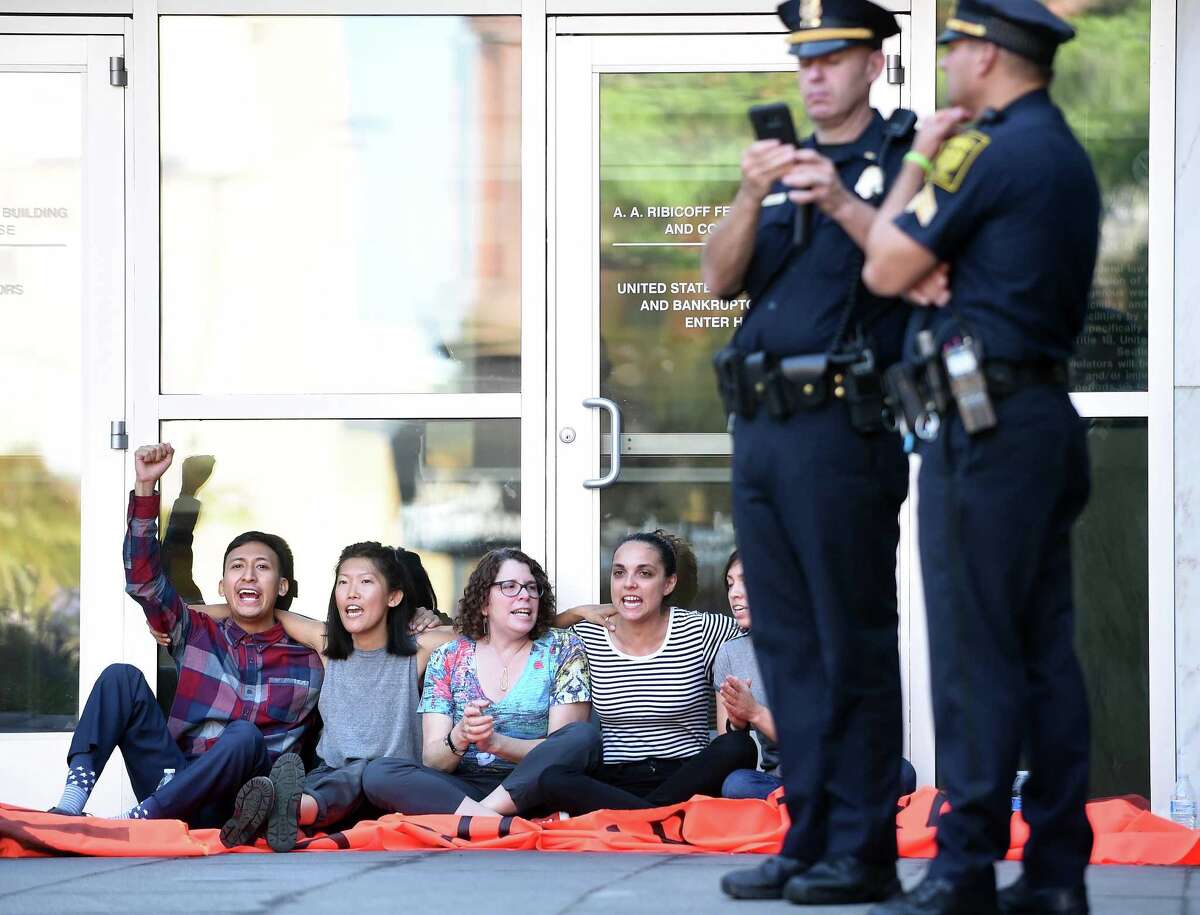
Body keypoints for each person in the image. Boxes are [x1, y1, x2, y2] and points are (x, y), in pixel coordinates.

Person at [861, 2, 1099, 913]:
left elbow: (883, 264)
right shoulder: (1063, 150)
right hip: (1035, 418)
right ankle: (1056, 872)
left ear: (990, 56)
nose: (949, 60)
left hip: (984, 426)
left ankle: (962, 865)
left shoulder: (984, 149)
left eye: (957, 45)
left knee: (973, 653)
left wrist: (921, 151)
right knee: (1043, 653)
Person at [705, 0, 924, 905]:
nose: (815, 73)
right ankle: (808, 839)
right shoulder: (780, 165)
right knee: (787, 645)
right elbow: (719, 276)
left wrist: (836, 197)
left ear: (874, 62)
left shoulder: (907, 155)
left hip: (843, 429)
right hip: (760, 429)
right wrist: (755, 189)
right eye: (805, 58)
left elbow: (903, 264)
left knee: (850, 643)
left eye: (834, 56)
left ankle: (864, 846)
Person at [48, 442, 323, 828]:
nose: (247, 575)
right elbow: (145, 583)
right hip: (172, 779)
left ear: (281, 586)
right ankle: (71, 801)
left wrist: (419, 621)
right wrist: (145, 489)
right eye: (237, 567)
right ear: (223, 586)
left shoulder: (311, 658)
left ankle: (139, 820)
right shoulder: (197, 631)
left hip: (244, 803)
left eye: (262, 567)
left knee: (243, 736)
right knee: (120, 678)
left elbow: (367, 652)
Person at [203, 542, 454, 851]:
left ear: (394, 596)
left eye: (365, 581)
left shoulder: (417, 650)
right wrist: (190, 614)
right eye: (343, 582)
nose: (351, 592)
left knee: (365, 770)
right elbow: (259, 612)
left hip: (392, 781)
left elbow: (487, 630)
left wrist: (436, 617)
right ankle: (281, 809)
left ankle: (276, 810)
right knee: (338, 779)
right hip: (329, 780)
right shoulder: (329, 647)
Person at [361, 548, 599, 817]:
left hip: (537, 787)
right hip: (465, 790)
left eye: (532, 588)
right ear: (484, 603)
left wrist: (496, 744)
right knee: (379, 773)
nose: (525, 595)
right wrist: (461, 736)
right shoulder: (448, 657)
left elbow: (561, 748)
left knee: (583, 737)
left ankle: (484, 816)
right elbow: (434, 761)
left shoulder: (563, 647)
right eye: (509, 586)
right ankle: (492, 819)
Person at [537, 531, 757, 815]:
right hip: (616, 780)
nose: (629, 583)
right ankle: (658, 817)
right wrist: (576, 612)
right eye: (619, 573)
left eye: (644, 573)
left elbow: (762, 626)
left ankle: (639, 817)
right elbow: (526, 631)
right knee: (551, 778)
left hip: (688, 777)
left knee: (738, 746)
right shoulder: (588, 634)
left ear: (668, 583)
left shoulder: (702, 630)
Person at [714, 550, 782, 800]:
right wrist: (738, 722)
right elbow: (728, 750)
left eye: (746, 581)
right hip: (778, 782)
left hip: (836, 772)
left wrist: (755, 712)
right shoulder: (731, 653)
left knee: (900, 772)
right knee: (736, 784)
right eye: (730, 584)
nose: (734, 593)